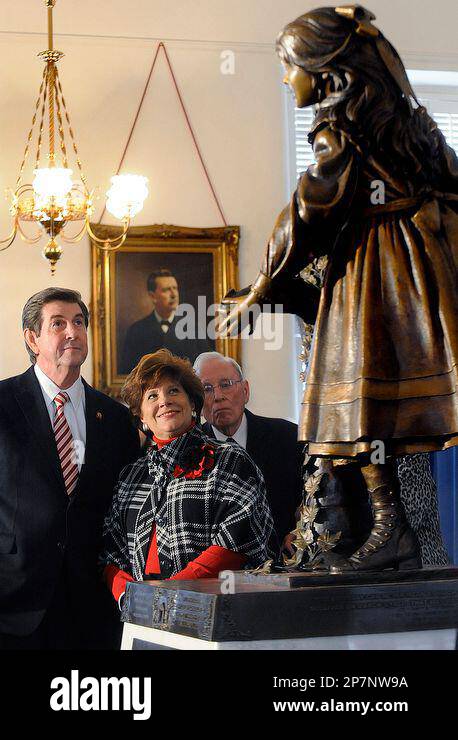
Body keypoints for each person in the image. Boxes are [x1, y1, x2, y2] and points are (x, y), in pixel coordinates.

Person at [220, 6, 458, 571]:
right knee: (375, 406)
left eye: (288, 67)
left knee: (349, 399)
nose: (284, 79)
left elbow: (308, 211)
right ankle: (388, 528)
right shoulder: (409, 122)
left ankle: (390, 525)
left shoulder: (341, 131)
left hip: (372, 273)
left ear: (324, 70)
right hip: (416, 273)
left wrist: (260, 287)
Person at [0, 287, 140, 650]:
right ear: (32, 338)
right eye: (58, 323)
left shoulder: (115, 418)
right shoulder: (2, 404)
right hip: (14, 602)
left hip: (94, 604)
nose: (72, 332)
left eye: (79, 322)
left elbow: (127, 509)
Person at [100, 349, 273, 605]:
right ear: (142, 416)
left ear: (192, 403)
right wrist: (129, 596)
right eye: (152, 396)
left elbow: (235, 542)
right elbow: (111, 551)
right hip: (144, 615)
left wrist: (169, 595)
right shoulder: (131, 475)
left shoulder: (229, 459)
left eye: (173, 391)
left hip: (217, 610)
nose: (165, 401)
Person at [193, 351, 304, 546]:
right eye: (207, 389)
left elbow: (313, 495)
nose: (218, 396)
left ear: (245, 391)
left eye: (226, 385)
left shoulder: (288, 437)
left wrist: (301, 530)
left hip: (281, 559)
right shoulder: (191, 449)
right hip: (215, 566)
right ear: (197, 403)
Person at [119, 268, 213, 373]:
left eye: (175, 288)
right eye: (166, 290)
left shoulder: (193, 329)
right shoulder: (136, 331)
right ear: (152, 296)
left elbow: (206, 367)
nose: (173, 294)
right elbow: (127, 372)